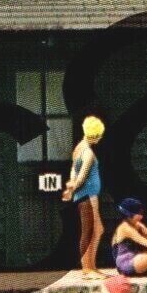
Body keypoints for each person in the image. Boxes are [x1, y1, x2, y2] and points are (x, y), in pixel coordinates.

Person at [62, 115, 107, 279]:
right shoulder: (87, 152)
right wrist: (73, 188)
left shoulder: (78, 148)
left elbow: (73, 170)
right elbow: (81, 176)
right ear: (95, 135)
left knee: (98, 230)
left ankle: (91, 267)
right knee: (89, 231)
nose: (100, 138)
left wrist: (71, 188)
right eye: (99, 135)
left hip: (85, 195)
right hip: (88, 195)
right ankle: (87, 269)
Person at [110, 198, 147, 276]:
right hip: (125, 264)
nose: (141, 216)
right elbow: (146, 243)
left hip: (136, 258)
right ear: (130, 214)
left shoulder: (138, 224)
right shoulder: (125, 227)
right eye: (139, 213)